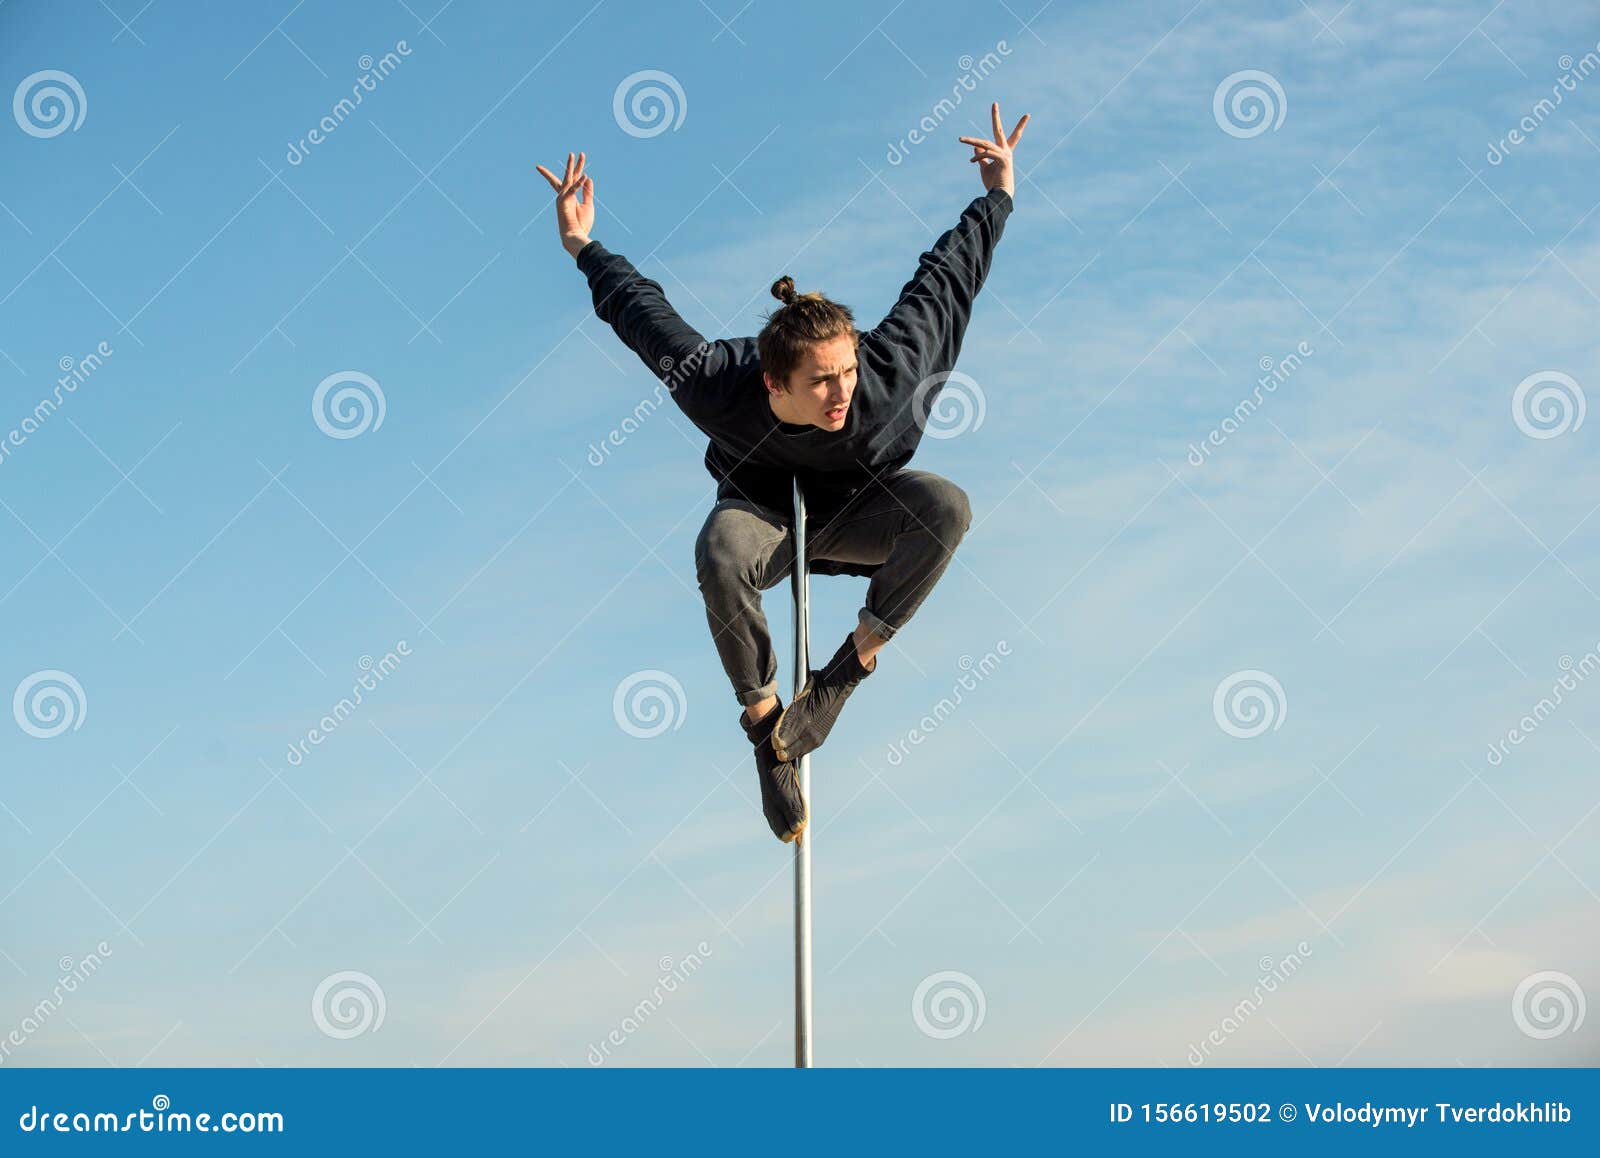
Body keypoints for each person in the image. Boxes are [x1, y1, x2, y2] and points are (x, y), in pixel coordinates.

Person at [536, 102, 1028, 844]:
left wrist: (997, 196)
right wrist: (583, 247)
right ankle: (770, 731)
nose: (842, 393)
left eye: (846, 373)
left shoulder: (889, 373)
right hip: (767, 522)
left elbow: (948, 277)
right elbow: (643, 314)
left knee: (948, 507)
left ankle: (840, 679)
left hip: (865, 517)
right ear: (774, 383)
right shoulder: (720, 382)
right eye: (821, 383)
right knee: (720, 552)